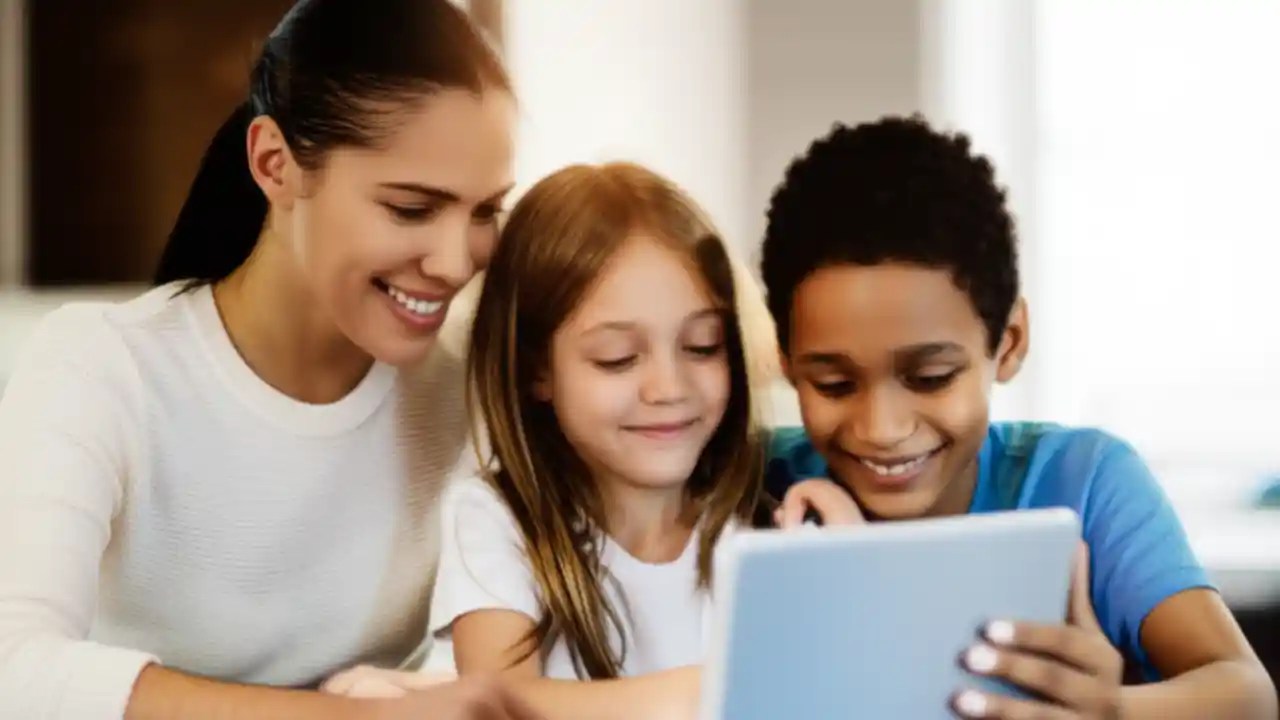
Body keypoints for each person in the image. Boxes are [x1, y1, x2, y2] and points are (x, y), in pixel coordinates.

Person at [0, 1, 543, 718]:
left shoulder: (473, 384)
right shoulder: (102, 368)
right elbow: (16, 671)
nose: (454, 261)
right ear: (274, 164)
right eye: (411, 208)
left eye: (484, 213)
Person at [763, 116, 1277, 718]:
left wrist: (1112, 710)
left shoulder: (1082, 481)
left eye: (931, 378)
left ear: (1007, 343)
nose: (881, 427)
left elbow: (1247, 692)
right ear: (787, 364)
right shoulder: (748, 482)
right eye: (834, 383)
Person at [324, 162, 769, 719]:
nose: (670, 388)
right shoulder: (496, 519)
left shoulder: (756, 523)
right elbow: (502, 710)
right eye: (618, 358)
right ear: (538, 371)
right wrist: (713, 693)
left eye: (702, 346)